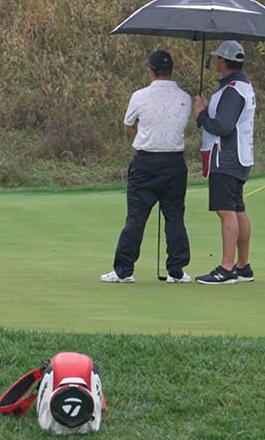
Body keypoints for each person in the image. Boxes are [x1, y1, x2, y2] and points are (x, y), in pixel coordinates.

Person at [102, 49, 193, 283]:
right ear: (170, 71)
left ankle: (124, 270)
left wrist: (142, 131)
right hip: (174, 163)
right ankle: (177, 270)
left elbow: (128, 127)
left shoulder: (139, 96)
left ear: (152, 72)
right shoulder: (185, 97)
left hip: (145, 162)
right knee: (174, 216)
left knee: (136, 217)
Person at [192, 40, 256, 284]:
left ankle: (227, 268)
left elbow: (223, 126)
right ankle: (243, 266)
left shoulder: (231, 89)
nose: (216, 61)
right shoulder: (240, 86)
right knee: (237, 209)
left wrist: (201, 116)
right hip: (238, 156)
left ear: (222, 61)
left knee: (226, 211)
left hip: (226, 156)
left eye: (218, 57)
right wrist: (209, 111)